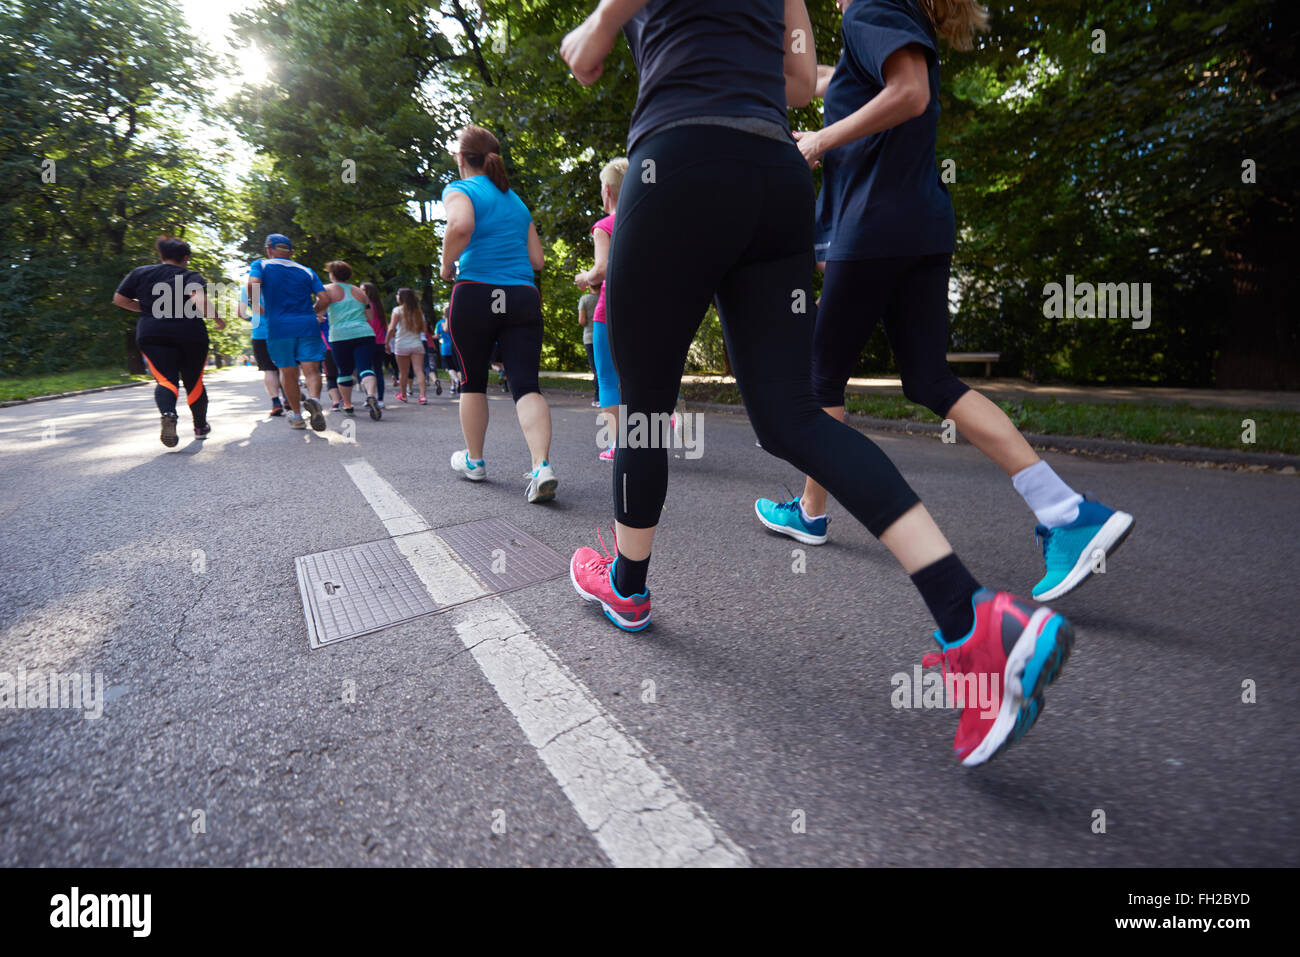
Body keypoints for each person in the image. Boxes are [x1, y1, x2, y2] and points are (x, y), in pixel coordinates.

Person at [561, 0, 1075, 767]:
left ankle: (627, 585)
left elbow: (585, 53)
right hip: (774, 177)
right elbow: (800, 80)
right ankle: (972, 617)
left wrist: (596, 30)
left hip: (678, 162)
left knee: (643, 409)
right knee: (794, 414)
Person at [754, 0, 1134, 603]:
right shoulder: (886, 26)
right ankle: (1065, 511)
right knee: (929, 380)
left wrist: (821, 138)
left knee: (818, 385)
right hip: (920, 227)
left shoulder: (869, 10)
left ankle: (812, 513)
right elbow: (828, 82)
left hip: (877, 228)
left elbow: (910, 92)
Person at [440, 124, 557, 504]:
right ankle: (541, 466)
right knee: (526, 384)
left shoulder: (460, 190)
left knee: (473, 381)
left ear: (461, 158)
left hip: (475, 293)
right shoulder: (516, 201)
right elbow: (537, 259)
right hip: (521, 295)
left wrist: (446, 265)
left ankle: (474, 461)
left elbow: (460, 225)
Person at [112, 236, 223, 446]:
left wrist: (146, 308)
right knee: (194, 380)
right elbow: (197, 299)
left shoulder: (140, 272)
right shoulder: (190, 275)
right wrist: (218, 320)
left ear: (161, 255)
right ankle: (200, 427)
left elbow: (120, 300)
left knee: (165, 380)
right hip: (190, 333)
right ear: (186, 257)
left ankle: (168, 413)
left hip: (152, 332)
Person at [248, 233, 331, 431]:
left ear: (269, 249)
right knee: (312, 369)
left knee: (288, 372)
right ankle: (314, 400)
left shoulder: (261, 265)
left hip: (279, 326)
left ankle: (296, 416)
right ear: (291, 252)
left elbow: (252, 284)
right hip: (307, 324)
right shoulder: (306, 270)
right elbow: (325, 299)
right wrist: (312, 311)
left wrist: (256, 305)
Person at [575, 157, 628, 461]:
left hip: (609, 313)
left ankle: (619, 447)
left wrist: (585, 278)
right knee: (640, 378)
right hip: (645, 313)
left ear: (606, 190)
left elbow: (602, 268)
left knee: (607, 378)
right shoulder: (648, 223)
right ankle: (650, 440)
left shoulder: (604, 225)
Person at [320, 261, 381, 420]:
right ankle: (371, 395)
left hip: (340, 335)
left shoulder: (327, 290)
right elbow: (370, 316)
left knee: (344, 371)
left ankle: (347, 404)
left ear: (332, 274)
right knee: (365, 367)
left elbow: (319, 310)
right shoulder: (360, 293)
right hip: (364, 333)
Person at [239, 275, 284, 416]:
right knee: (284, 367)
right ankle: (289, 398)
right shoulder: (279, 286)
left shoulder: (247, 289)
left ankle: (276, 402)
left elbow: (240, 313)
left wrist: (253, 319)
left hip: (260, 333)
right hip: (283, 331)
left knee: (269, 370)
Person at [386, 288, 428, 404]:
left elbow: (391, 328)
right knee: (419, 370)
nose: (396, 296)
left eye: (397, 295)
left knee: (403, 372)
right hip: (417, 343)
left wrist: (387, 343)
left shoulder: (397, 310)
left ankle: (403, 395)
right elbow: (424, 329)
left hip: (401, 344)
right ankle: (423, 396)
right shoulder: (419, 312)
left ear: (402, 298)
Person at [360, 281, 387, 407]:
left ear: (368, 292)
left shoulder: (365, 306)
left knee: (366, 370)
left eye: (362, 290)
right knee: (378, 371)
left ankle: (369, 397)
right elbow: (384, 326)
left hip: (367, 341)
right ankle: (380, 399)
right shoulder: (379, 306)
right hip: (380, 343)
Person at [578, 290, 600, 407]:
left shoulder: (584, 299)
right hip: (605, 336)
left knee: (595, 368)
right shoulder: (604, 298)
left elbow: (582, 321)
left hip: (589, 337)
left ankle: (598, 398)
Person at [435, 314, 459, 393]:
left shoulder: (439, 323)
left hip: (445, 348)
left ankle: (456, 380)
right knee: (456, 368)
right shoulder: (455, 321)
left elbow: (437, 336)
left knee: (449, 368)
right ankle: (453, 387)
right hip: (455, 346)